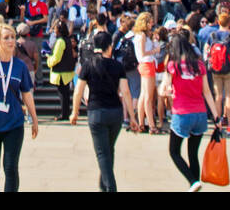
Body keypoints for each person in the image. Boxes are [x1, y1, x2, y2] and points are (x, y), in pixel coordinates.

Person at [0, 21, 38, 192]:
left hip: (14, 124)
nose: (11, 41)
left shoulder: (20, 66)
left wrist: (34, 118)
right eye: (6, 38)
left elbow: (26, 94)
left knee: (11, 168)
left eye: (13, 37)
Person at [71, 30, 137, 192]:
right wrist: (133, 117)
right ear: (110, 47)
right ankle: (104, 185)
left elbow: (78, 91)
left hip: (96, 112)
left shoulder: (88, 65)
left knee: (102, 153)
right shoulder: (117, 66)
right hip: (115, 112)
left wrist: (75, 111)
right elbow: (126, 92)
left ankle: (110, 187)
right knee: (109, 149)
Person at [159, 30, 219, 190]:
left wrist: (167, 92)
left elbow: (162, 90)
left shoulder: (173, 66)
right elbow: (207, 91)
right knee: (193, 154)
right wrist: (216, 116)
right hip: (200, 113)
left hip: (182, 113)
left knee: (174, 151)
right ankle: (194, 183)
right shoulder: (199, 65)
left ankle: (193, 181)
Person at [132, 11, 162, 134]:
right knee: (148, 97)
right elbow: (144, 53)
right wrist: (155, 50)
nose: (152, 24)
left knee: (144, 95)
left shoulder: (139, 35)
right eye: (150, 22)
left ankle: (141, 123)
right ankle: (151, 125)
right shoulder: (143, 36)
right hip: (147, 64)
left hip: (144, 64)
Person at [46, 18, 76, 121]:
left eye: (55, 29)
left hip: (61, 72)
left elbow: (56, 58)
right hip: (67, 71)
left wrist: (49, 61)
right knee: (65, 94)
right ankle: (65, 113)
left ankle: (64, 114)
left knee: (63, 94)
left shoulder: (60, 41)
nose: (54, 31)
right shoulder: (67, 40)